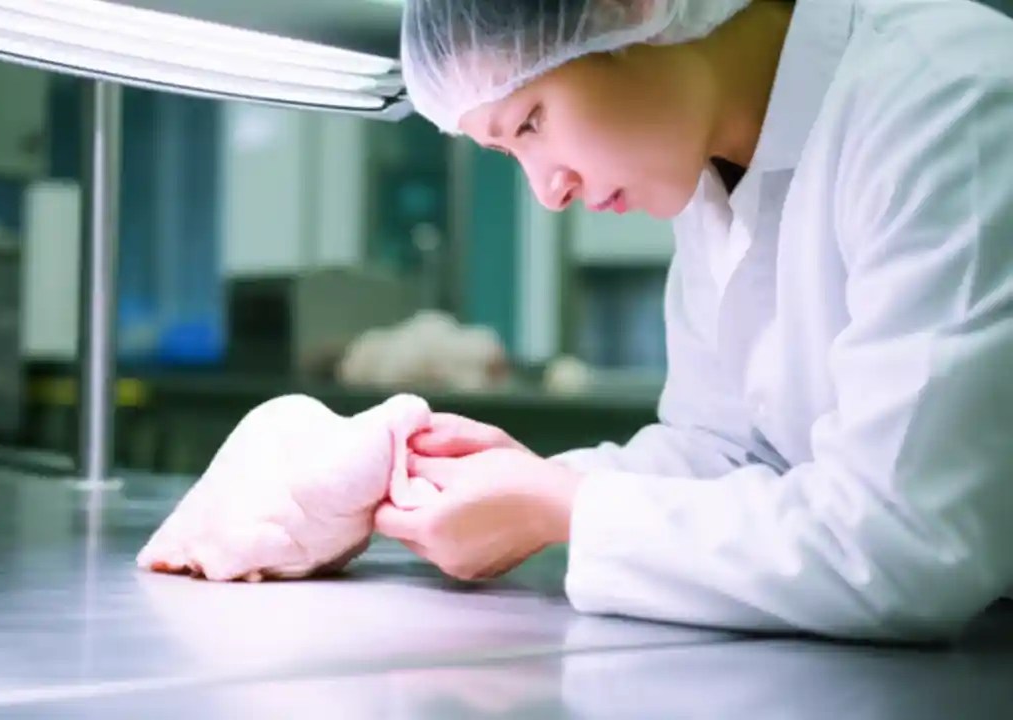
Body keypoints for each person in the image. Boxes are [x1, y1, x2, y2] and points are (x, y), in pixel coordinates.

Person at [373, 0, 1013, 641]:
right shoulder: (712, 169)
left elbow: (908, 542)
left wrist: (562, 506)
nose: (548, 191)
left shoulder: (945, 94)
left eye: (531, 122)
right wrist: (537, 484)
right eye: (509, 153)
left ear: (633, 8)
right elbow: (727, 453)